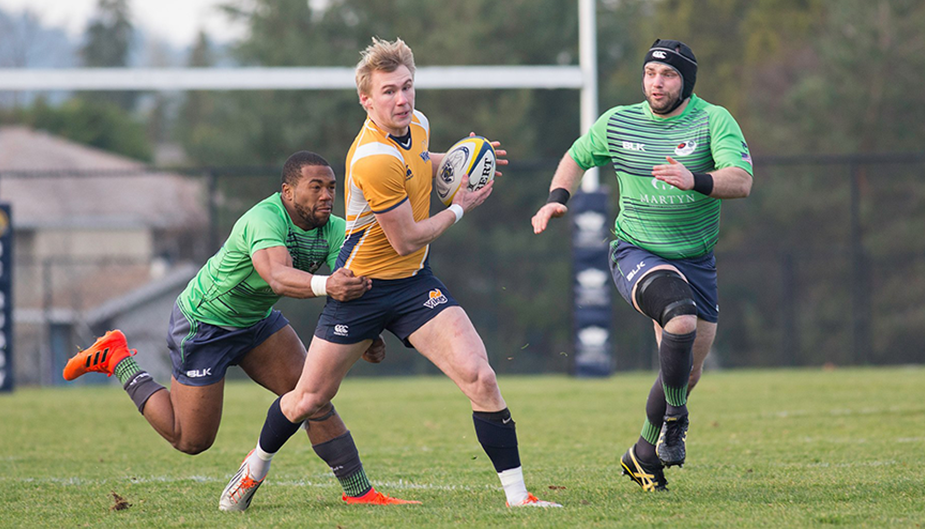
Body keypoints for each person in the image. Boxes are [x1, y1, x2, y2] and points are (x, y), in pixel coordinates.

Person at [221, 37, 561, 509]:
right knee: (307, 398)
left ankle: (518, 498)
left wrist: (464, 160)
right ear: (366, 99)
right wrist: (461, 207)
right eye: (388, 92)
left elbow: (421, 162)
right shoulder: (372, 158)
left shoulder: (417, 125)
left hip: (414, 285)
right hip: (359, 289)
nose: (401, 99)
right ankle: (253, 469)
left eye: (407, 87)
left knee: (480, 377)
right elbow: (407, 237)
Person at [62, 150, 405, 510]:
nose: (325, 195)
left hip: (256, 321)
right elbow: (278, 276)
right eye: (315, 186)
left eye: (331, 187)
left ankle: (359, 492)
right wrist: (328, 286)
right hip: (204, 323)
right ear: (288, 192)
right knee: (191, 440)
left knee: (312, 396)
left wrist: (369, 334)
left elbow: (349, 285)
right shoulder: (264, 219)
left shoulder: (335, 230)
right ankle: (118, 359)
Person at [532, 39, 753, 491]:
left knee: (687, 371)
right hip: (637, 251)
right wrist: (557, 200)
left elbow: (742, 181)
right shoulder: (619, 121)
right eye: (651, 73)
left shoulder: (714, 120)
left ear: (685, 82)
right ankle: (676, 418)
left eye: (668, 75)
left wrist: (695, 178)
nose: (657, 82)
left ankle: (643, 453)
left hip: (697, 261)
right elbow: (576, 157)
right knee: (679, 318)